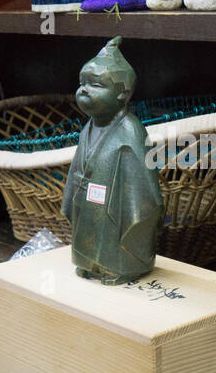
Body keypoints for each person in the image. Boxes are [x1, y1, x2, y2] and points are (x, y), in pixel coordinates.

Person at [61, 37, 162, 284]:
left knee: (111, 234)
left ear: (123, 94)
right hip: (88, 200)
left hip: (116, 207)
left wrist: (142, 211)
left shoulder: (131, 130)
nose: (84, 90)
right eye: (82, 83)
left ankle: (121, 266)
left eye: (96, 85)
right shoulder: (89, 127)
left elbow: (145, 188)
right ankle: (87, 263)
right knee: (86, 227)